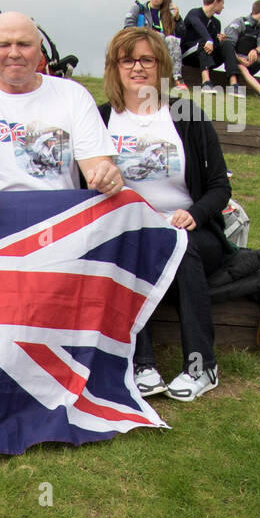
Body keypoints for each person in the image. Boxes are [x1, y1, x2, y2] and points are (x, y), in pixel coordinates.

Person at [99, 25, 230, 401]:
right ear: (115, 67)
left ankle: (202, 365)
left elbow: (220, 186)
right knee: (136, 243)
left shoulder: (186, 114)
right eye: (128, 60)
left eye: (147, 59)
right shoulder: (101, 117)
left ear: (161, 66)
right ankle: (143, 365)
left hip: (192, 230)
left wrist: (196, 215)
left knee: (181, 244)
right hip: (130, 229)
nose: (137, 67)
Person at [0, 10, 123, 215]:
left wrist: (106, 175)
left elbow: (97, 165)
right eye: (3, 45)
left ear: (40, 48)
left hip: (63, 222)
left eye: (24, 44)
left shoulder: (74, 94)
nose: (14, 53)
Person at [123, 0, 188, 91]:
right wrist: (147, 32)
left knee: (171, 39)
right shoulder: (139, 9)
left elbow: (181, 36)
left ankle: (177, 78)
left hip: (164, 46)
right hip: (142, 41)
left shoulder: (168, 13)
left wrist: (177, 18)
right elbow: (128, 27)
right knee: (160, 36)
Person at [182, 0, 241, 96]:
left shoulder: (216, 23)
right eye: (222, 3)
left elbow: (213, 45)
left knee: (226, 43)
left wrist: (218, 41)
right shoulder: (194, 13)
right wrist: (209, 40)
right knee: (204, 42)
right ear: (215, 2)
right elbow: (198, 26)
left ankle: (233, 85)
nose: (223, 7)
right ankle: (206, 83)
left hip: (207, 59)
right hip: (189, 55)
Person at [222, 1, 260, 103]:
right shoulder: (240, 22)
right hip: (237, 62)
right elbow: (228, 46)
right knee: (243, 68)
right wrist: (240, 59)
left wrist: (256, 50)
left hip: (251, 61)